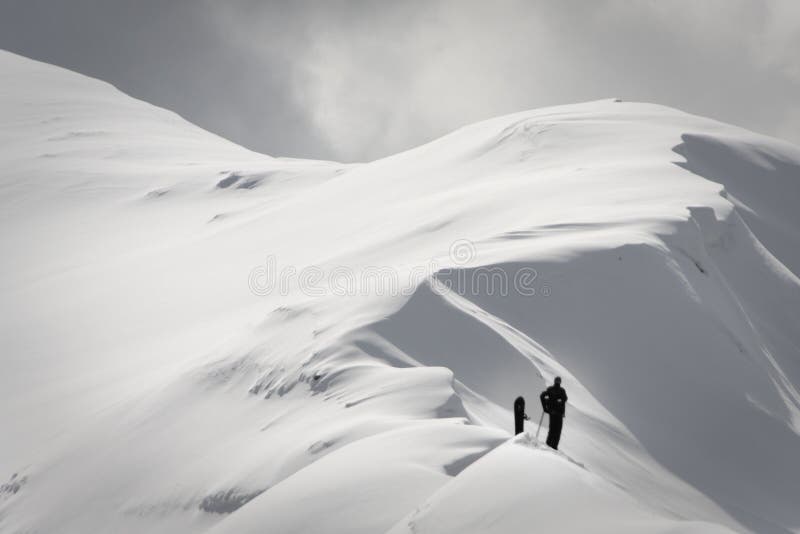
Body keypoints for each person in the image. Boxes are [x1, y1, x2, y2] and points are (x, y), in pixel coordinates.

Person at [540, 376, 568, 450]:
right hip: (559, 413)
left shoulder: (550, 389)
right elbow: (565, 399)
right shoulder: (562, 390)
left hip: (552, 412)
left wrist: (545, 408)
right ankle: (554, 446)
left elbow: (542, 396)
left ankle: (548, 444)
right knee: (557, 430)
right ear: (559, 382)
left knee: (552, 429)